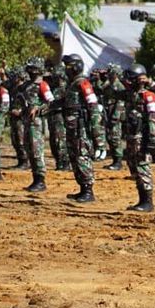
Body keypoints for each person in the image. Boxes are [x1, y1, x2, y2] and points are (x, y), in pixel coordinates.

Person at [59, 54, 106, 202]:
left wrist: (98, 135)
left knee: (82, 156)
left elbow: (93, 108)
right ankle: (82, 188)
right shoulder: (71, 85)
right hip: (72, 128)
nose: (66, 70)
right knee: (74, 158)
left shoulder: (83, 83)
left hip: (81, 129)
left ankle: (88, 191)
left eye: (69, 66)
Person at [123, 64, 155, 212]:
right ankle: (141, 199)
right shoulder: (131, 94)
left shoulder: (148, 95)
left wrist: (152, 139)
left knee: (142, 167)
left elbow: (153, 118)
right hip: (132, 136)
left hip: (142, 137)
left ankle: (148, 201)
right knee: (134, 167)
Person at [20, 57, 53, 192]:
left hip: (37, 123)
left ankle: (40, 180)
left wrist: (38, 109)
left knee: (36, 150)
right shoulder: (26, 85)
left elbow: (51, 103)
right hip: (27, 121)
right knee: (29, 149)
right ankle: (35, 178)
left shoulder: (43, 85)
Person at [46, 60, 71, 172]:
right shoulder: (53, 88)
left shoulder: (66, 88)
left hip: (60, 117)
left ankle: (65, 163)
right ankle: (59, 162)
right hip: (52, 117)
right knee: (53, 140)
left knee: (61, 140)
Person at [103, 64, 127, 171]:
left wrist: (115, 117)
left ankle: (118, 161)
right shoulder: (109, 86)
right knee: (110, 138)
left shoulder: (120, 86)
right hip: (108, 113)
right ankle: (114, 160)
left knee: (115, 138)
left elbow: (120, 103)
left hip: (115, 115)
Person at [7, 67, 29, 169]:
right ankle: (20, 160)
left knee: (21, 140)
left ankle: (25, 162)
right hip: (13, 118)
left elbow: (30, 103)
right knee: (15, 140)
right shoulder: (14, 88)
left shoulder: (25, 88)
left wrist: (20, 112)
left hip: (22, 119)